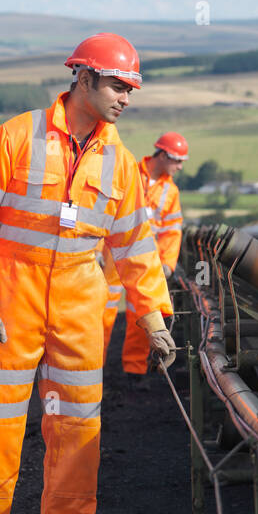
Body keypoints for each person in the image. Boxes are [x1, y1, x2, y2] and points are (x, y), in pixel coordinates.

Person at [0, 33, 177, 514]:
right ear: (82, 77)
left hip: (80, 303)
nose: (126, 97)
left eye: (132, 88)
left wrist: (152, 317)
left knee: (78, 436)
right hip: (11, 297)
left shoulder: (122, 164)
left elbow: (135, 246)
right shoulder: (16, 136)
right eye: (117, 84)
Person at [101, 133, 187, 382]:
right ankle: (96, 367)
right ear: (162, 155)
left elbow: (172, 231)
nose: (180, 167)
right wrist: (96, 251)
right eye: (178, 160)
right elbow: (101, 210)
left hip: (145, 262)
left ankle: (135, 370)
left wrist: (167, 264)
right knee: (102, 311)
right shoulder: (130, 174)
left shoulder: (171, 192)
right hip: (113, 256)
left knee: (144, 314)